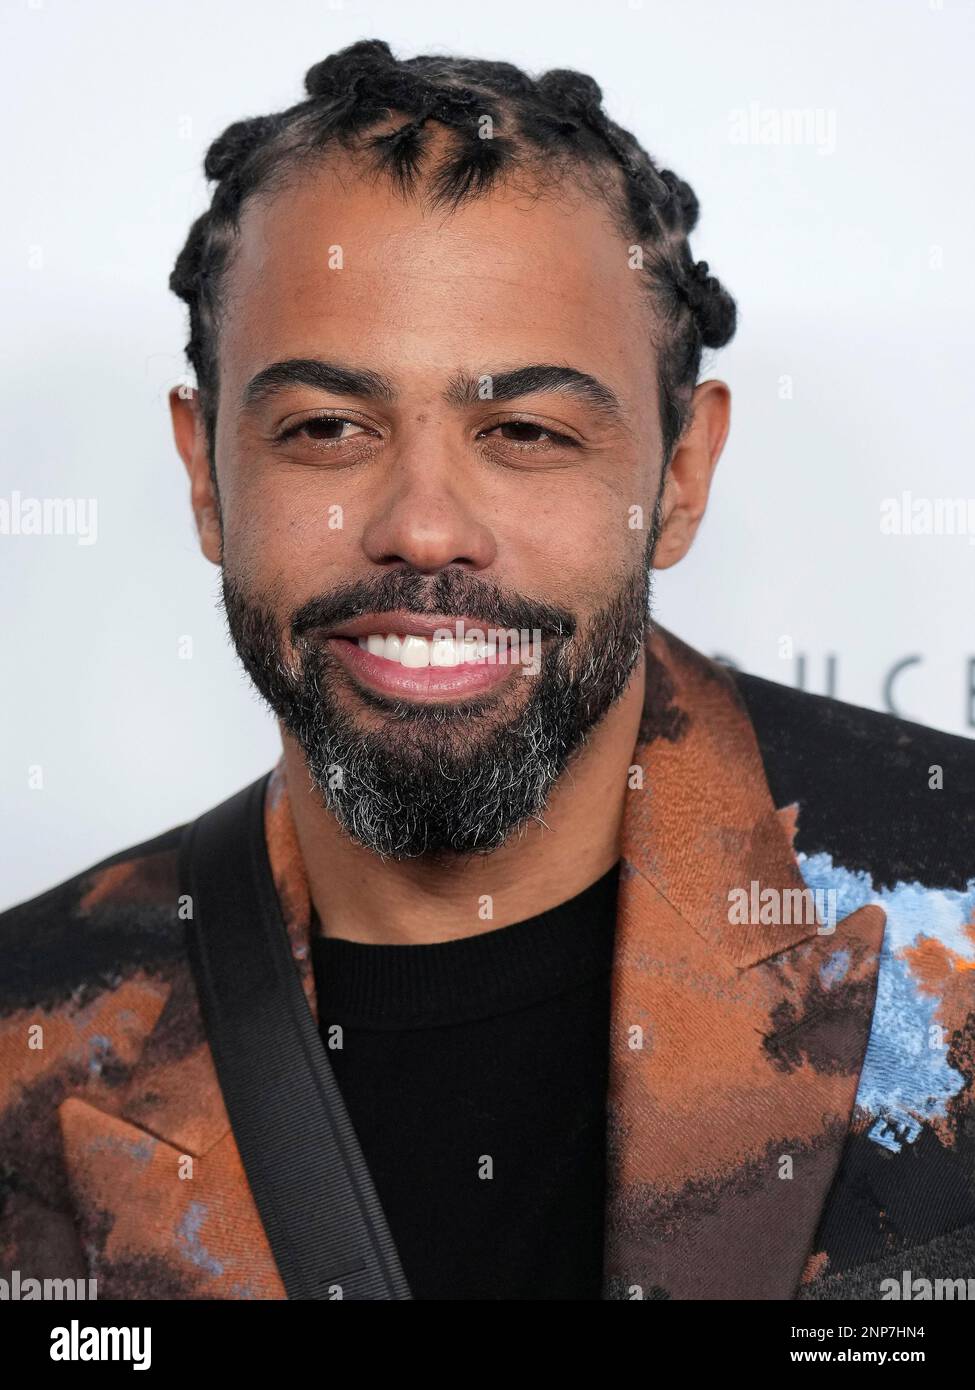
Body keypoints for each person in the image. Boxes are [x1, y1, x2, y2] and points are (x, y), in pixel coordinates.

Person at [2, 38, 973, 1302]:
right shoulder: (31, 1032)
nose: (423, 524)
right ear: (206, 477)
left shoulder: (947, 896)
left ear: (679, 477)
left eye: (524, 431)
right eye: (327, 428)